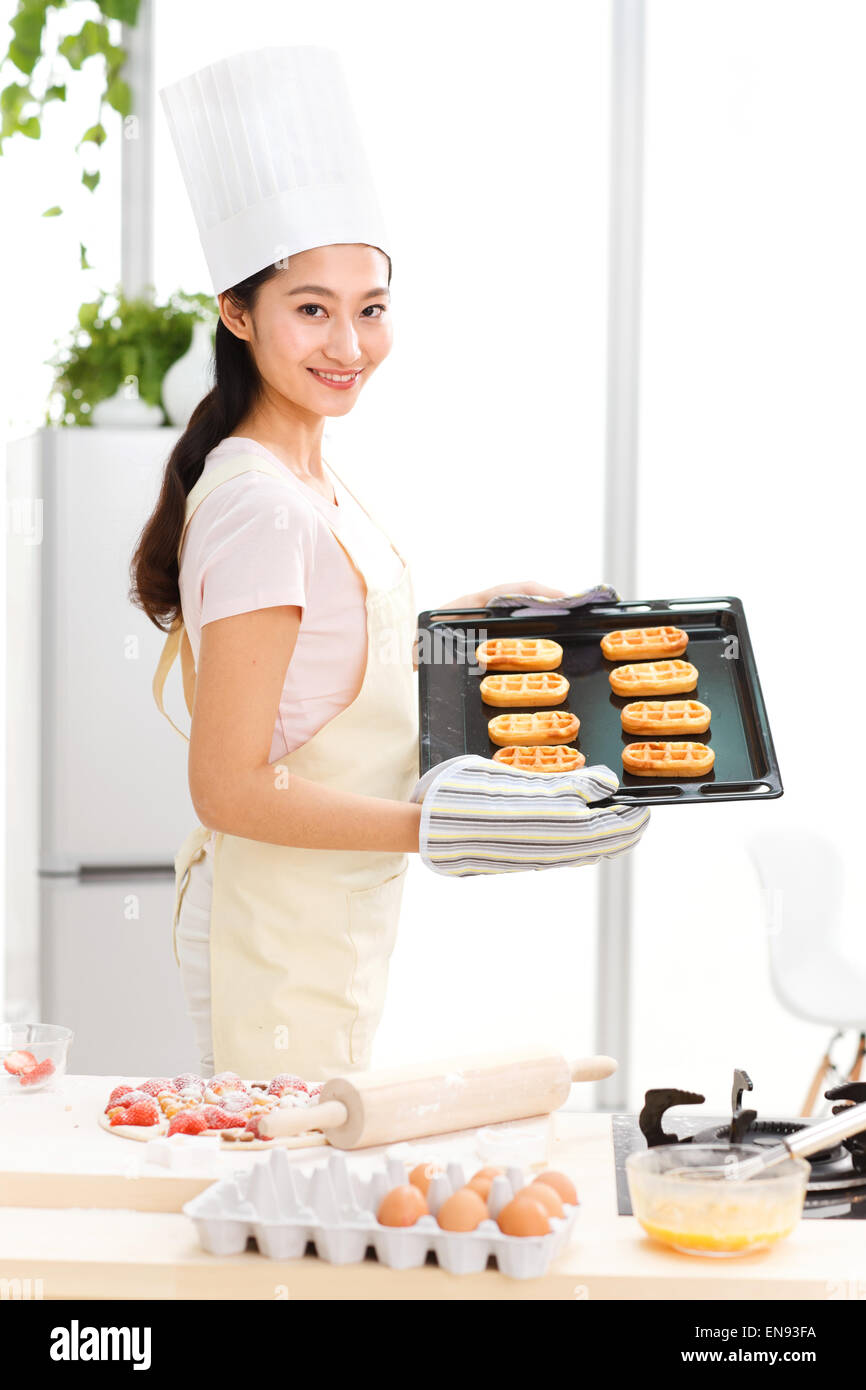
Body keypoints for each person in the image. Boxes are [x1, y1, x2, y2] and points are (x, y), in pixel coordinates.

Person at [131, 47, 649, 1081]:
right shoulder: (261, 505)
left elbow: (325, 671)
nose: (350, 344)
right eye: (311, 308)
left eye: (370, 307)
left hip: (324, 907)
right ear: (237, 313)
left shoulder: (306, 470)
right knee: (283, 1174)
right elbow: (227, 786)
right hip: (274, 926)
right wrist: (445, 827)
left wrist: (468, 618)